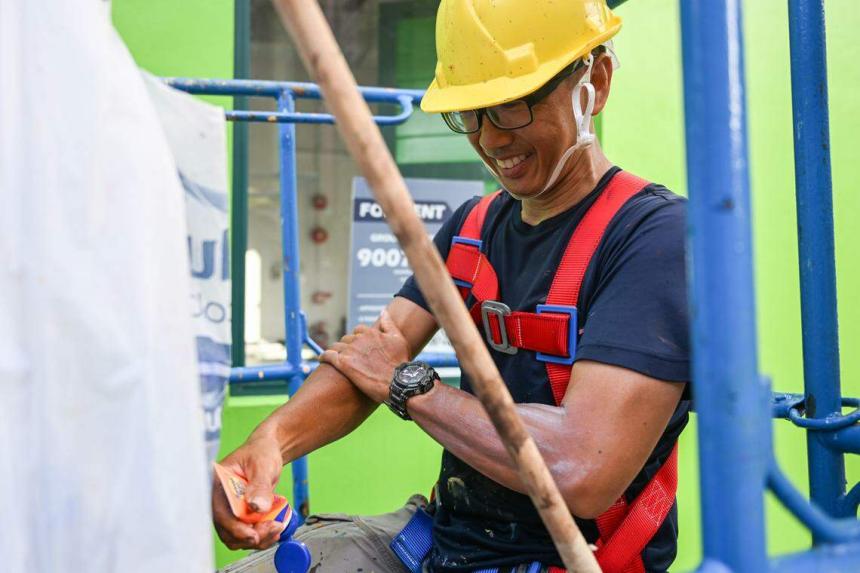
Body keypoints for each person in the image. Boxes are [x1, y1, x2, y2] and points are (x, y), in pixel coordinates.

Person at [214, 1, 690, 571]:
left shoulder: (656, 239)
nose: (491, 139)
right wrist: (270, 443)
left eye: (512, 106)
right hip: (445, 543)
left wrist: (409, 387)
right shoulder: (472, 230)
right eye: (471, 113)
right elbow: (374, 355)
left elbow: (582, 469)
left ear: (597, 82)